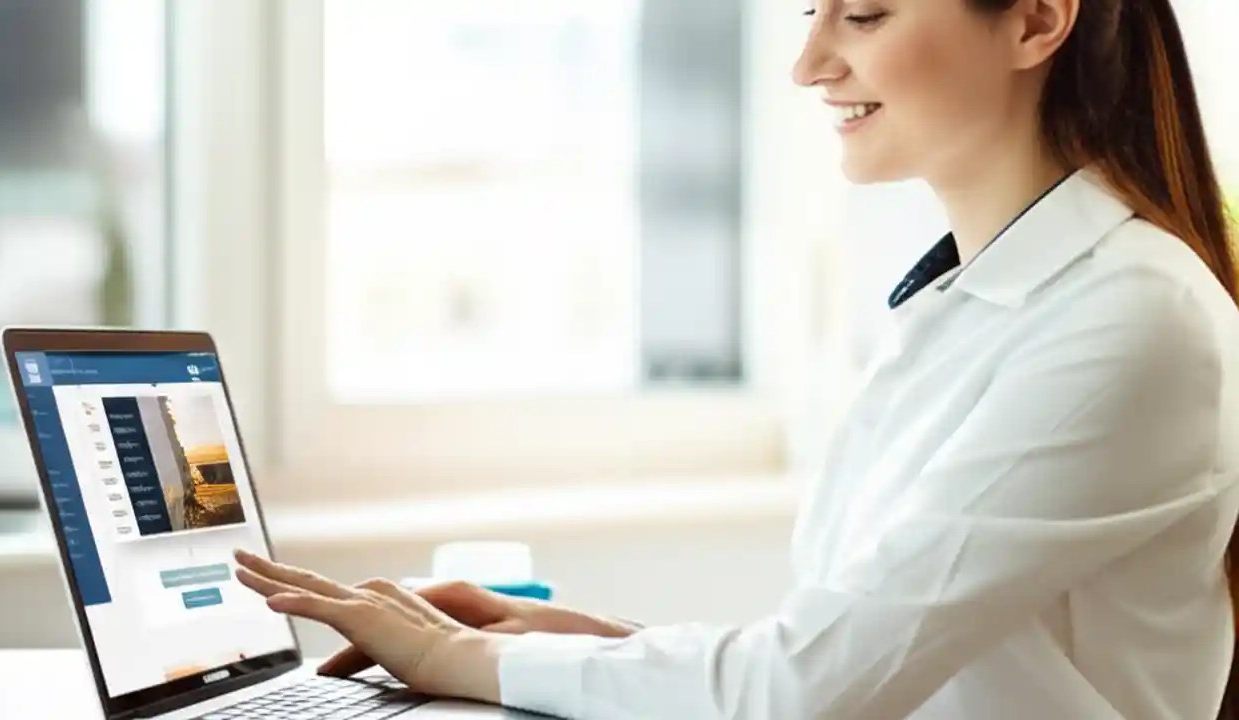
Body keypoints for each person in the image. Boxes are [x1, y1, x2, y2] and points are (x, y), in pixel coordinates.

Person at [233, 0, 1239, 716]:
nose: (807, 62)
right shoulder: (973, 300)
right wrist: (569, 641)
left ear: (1032, 20)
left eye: (866, 15)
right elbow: (850, 663)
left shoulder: (1130, 318)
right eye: (813, 9)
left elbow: (802, 693)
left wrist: (463, 661)